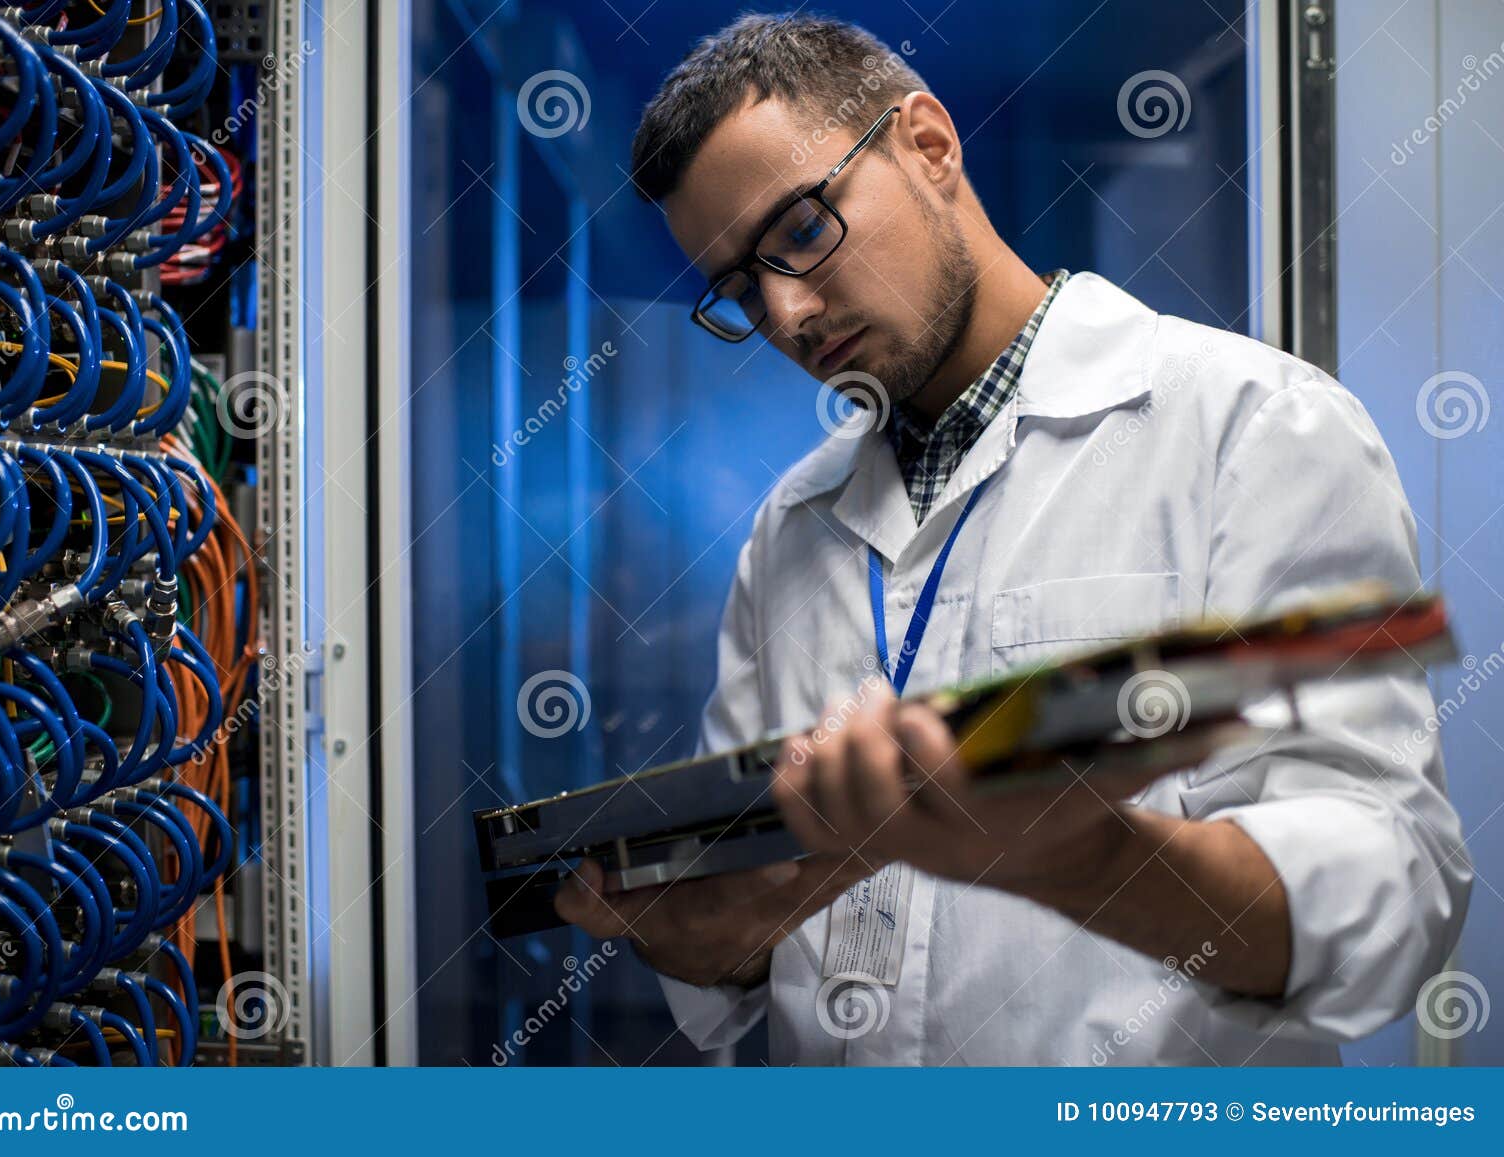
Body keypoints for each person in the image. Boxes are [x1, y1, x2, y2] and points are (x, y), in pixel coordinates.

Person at [554, 13, 1471, 1066]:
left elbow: (1396, 894)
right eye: (740, 290)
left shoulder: (1252, 426)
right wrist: (720, 940)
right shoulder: (790, 530)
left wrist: (1083, 859)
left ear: (929, 146)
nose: (790, 311)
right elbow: (772, 919)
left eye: (802, 231)